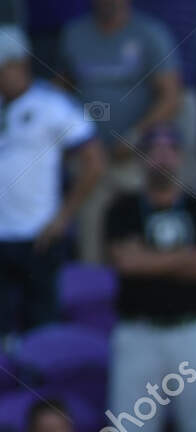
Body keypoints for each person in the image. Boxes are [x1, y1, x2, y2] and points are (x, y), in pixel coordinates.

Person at [105, 125, 196, 432]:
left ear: (181, 155)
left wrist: (148, 258)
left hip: (193, 330)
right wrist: (188, 256)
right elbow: (126, 263)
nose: (162, 156)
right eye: (153, 148)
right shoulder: (124, 208)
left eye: (170, 147)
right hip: (138, 332)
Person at [0, 26, 104, 340]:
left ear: (19, 64)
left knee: (42, 331)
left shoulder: (52, 104)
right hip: (1, 236)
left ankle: (41, 390)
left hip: (38, 235)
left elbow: (94, 162)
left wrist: (62, 217)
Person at [60, 0, 181, 263]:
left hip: (138, 155)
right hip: (90, 156)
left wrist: (135, 137)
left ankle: (142, 286)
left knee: (139, 225)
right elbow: (61, 90)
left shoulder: (150, 33)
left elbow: (171, 97)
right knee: (89, 226)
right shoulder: (74, 34)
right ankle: (90, 284)